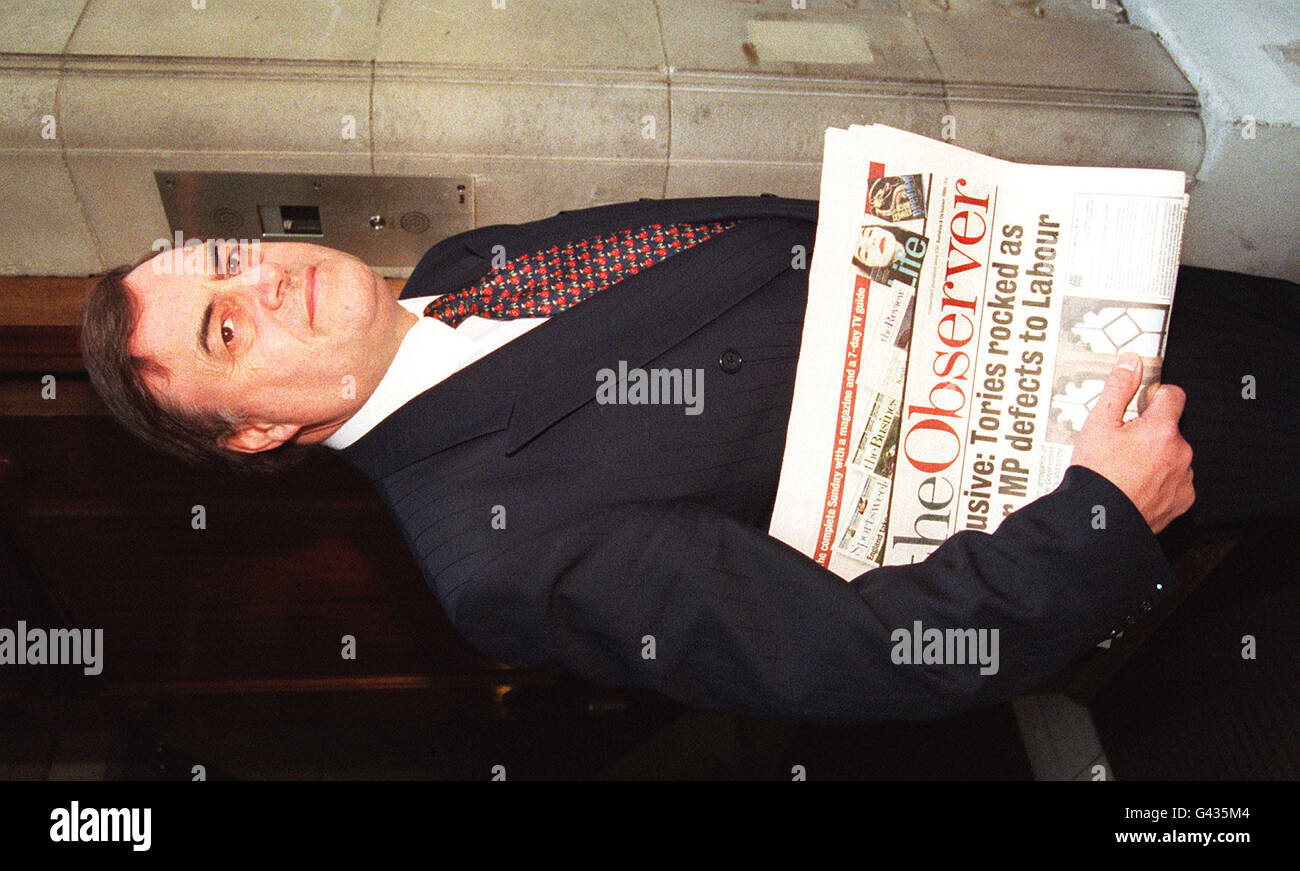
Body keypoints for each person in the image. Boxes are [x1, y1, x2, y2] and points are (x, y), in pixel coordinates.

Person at [80, 194, 1290, 722]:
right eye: (227, 327)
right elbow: (859, 659)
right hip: (1154, 436)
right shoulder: (495, 557)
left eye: (227, 256)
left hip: (1133, 298)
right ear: (252, 432)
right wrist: (1102, 521)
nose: (263, 279)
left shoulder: (463, 261)